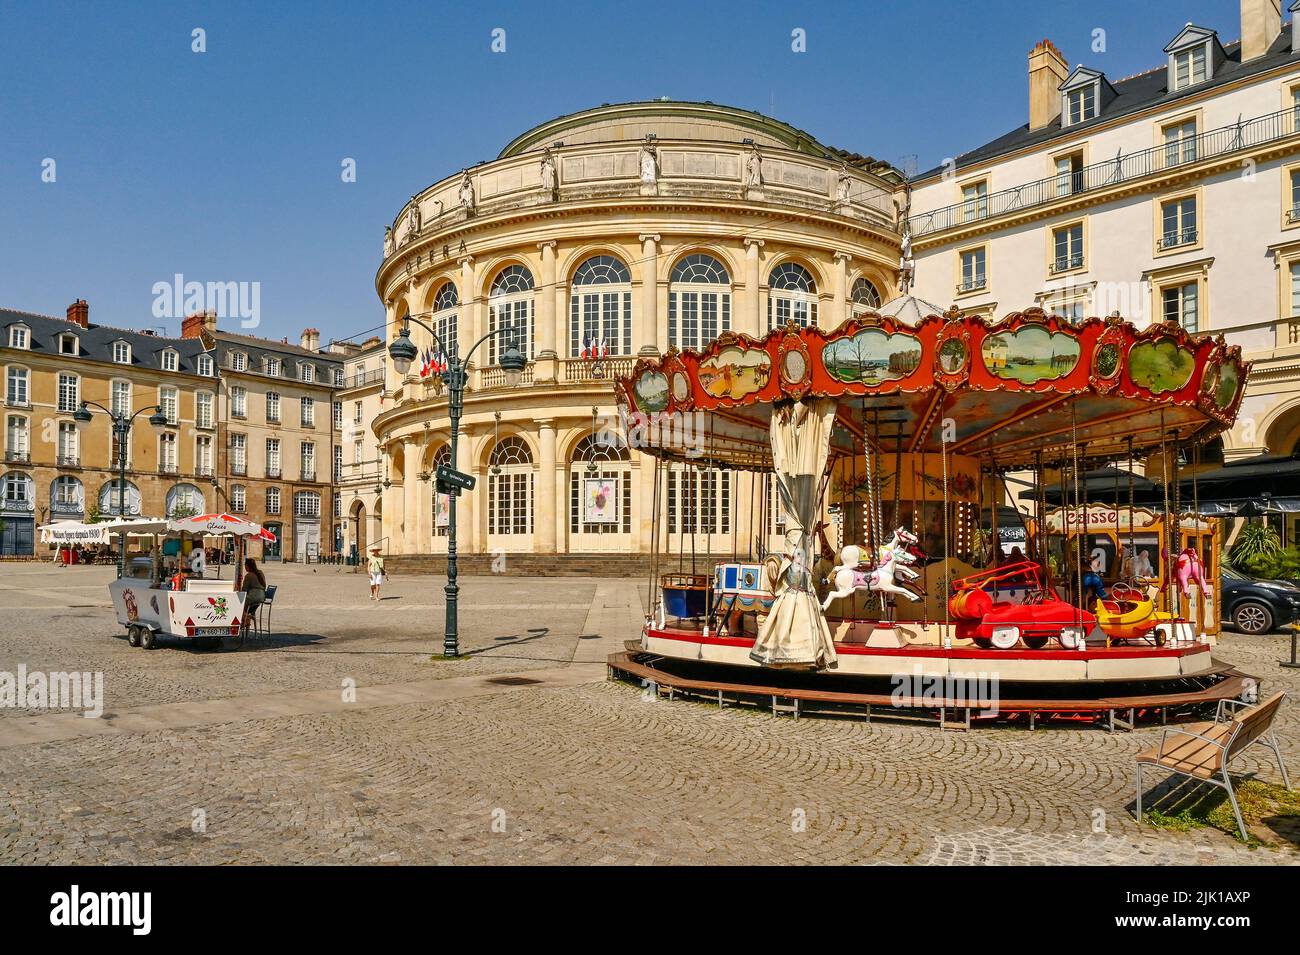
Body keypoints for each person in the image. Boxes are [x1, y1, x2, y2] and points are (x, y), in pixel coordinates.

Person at [240, 558, 267, 631]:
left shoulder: (249, 576)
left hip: (253, 597)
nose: (245, 568)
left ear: (248, 566)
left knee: (238, 603)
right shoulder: (260, 572)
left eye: (245, 566)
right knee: (244, 605)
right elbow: (264, 585)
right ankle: (247, 618)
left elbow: (244, 590)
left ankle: (246, 620)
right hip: (261, 596)